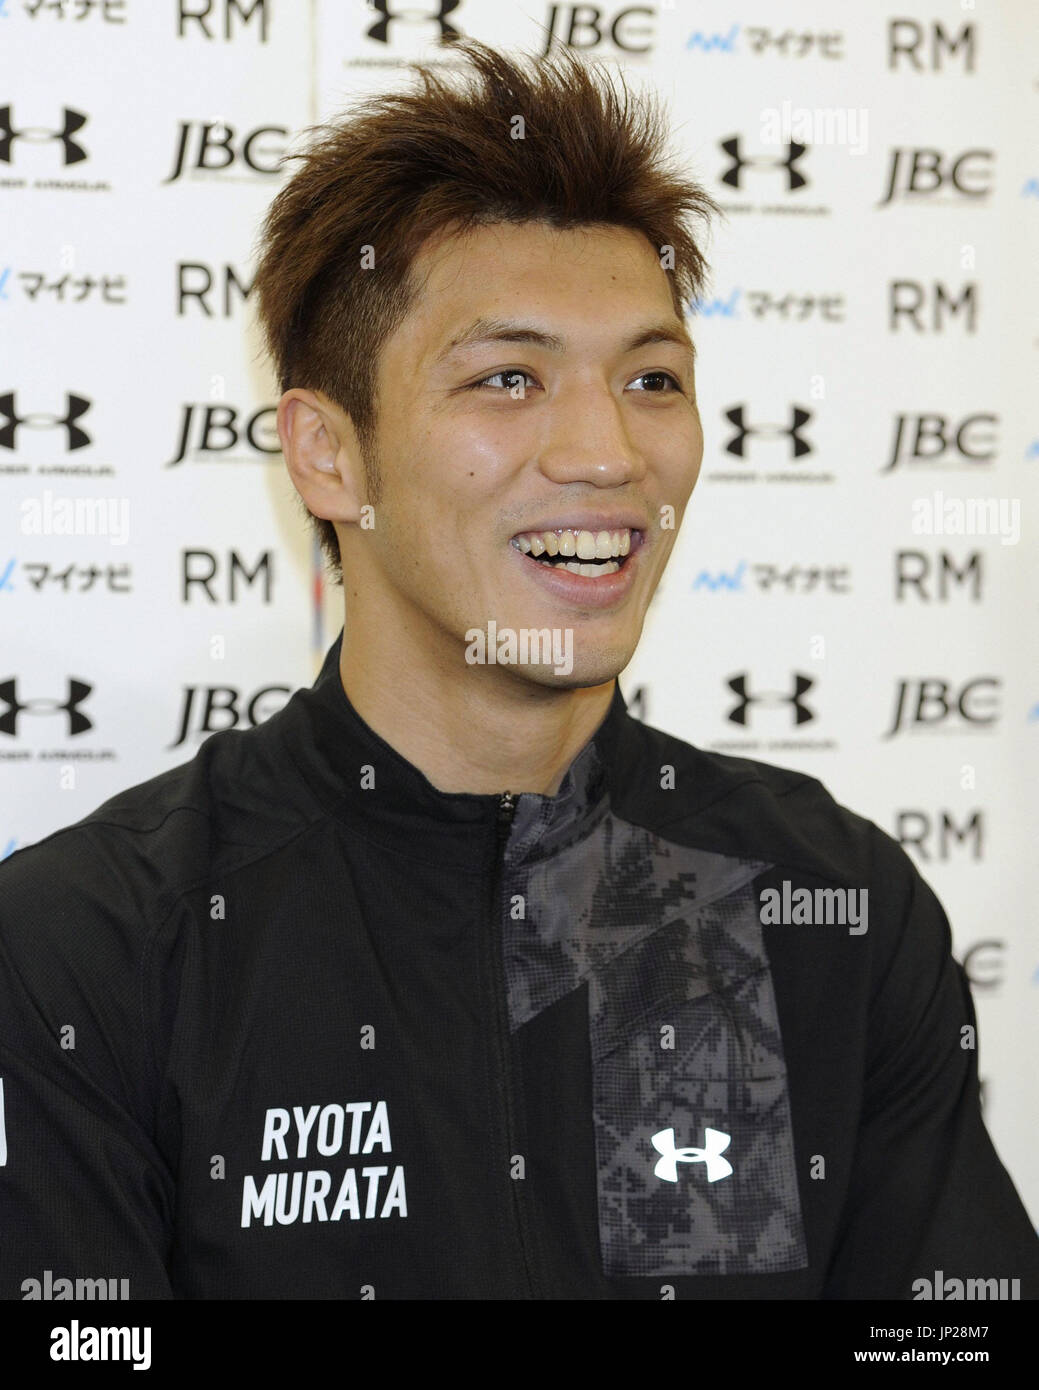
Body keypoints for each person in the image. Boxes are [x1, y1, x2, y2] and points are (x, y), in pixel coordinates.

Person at [1, 39, 1036, 1301]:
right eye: (508, 377)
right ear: (327, 455)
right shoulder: (93, 943)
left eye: (652, 379)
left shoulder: (829, 902)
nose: (606, 452)